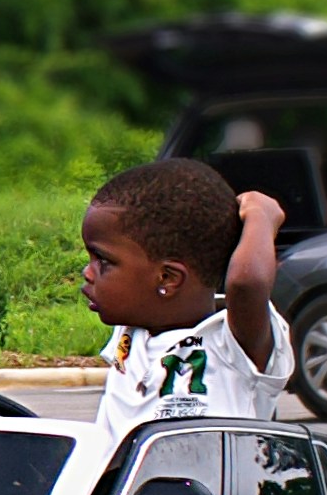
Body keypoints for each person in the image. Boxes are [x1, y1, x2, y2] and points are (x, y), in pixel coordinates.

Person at [74, 153, 292, 455]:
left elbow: (247, 284)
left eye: (103, 261)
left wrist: (263, 216)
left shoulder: (232, 346)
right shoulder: (131, 333)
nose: (87, 272)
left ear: (167, 278)